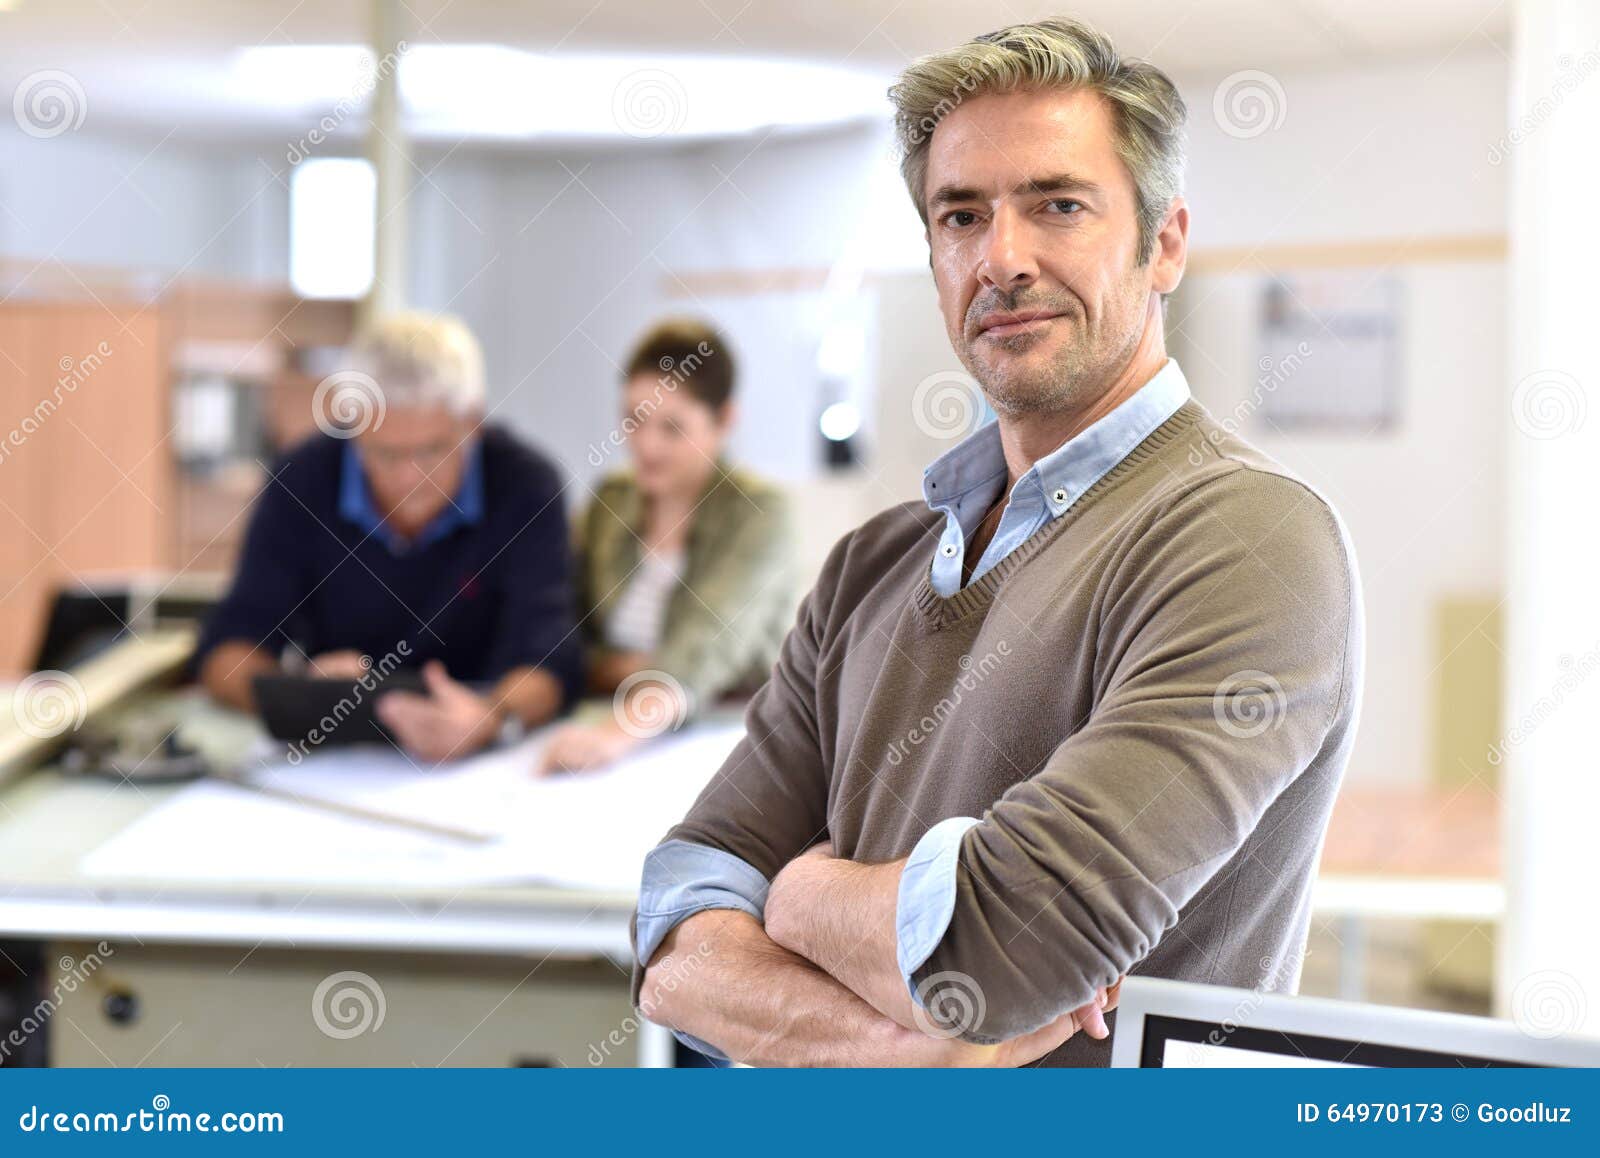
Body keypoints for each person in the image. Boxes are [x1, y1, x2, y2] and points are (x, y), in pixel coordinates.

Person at [630, 18, 1364, 1066]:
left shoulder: (1250, 539)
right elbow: (673, 917)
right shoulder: (870, 566)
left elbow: (1004, 951)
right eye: (960, 216)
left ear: (1163, 243)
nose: (1001, 258)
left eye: (1057, 205)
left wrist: (793, 889)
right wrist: (899, 1057)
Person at [195, 311, 582, 763]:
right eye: (384, 453)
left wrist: (490, 717)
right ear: (354, 425)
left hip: (476, 767)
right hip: (332, 765)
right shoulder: (300, 481)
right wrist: (297, 693)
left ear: (472, 424)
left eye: (431, 450)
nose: (408, 478)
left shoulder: (525, 485)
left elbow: (549, 661)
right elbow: (227, 651)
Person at [539, 320, 796, 773]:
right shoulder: (612, 497)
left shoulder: (761, 511)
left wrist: (618, 732)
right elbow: (563, 623)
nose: (646, 446)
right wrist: (609, 674)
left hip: (715, 737)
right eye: (634, 421)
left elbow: (708, 640)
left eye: (672, 428)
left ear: (725, 420)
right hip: (602, 719)